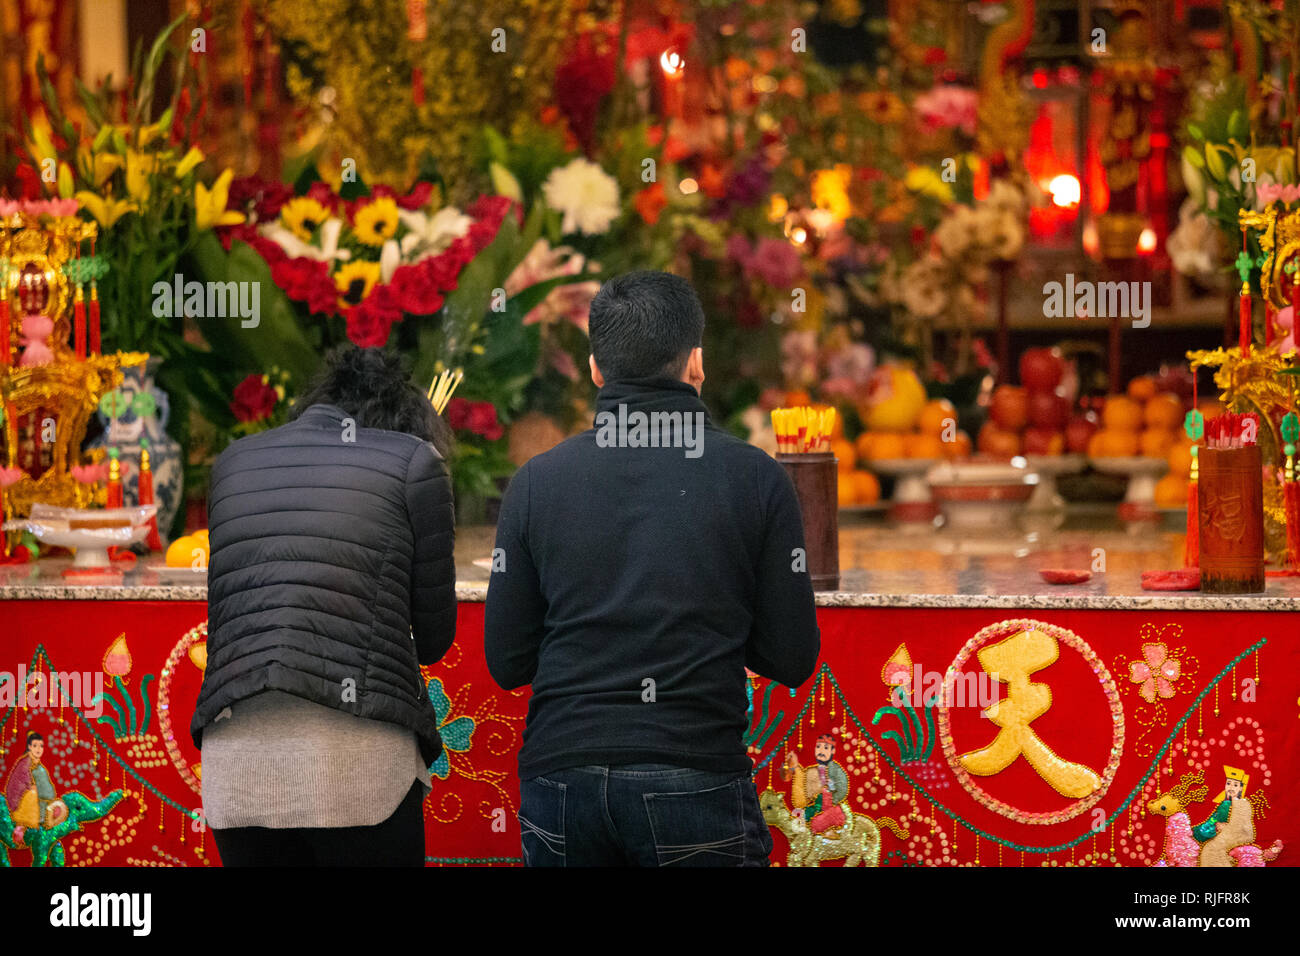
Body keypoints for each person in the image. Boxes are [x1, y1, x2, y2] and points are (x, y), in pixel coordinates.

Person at [485, 270, 820, 866]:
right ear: (696, 362)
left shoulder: (536, 482)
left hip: (561, 781)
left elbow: (507, 662)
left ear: (594, 369)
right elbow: (793, 659)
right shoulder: (755, 478)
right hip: (693, 774)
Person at [191, 347, 457, 866]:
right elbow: (434, 640)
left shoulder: (233, 463)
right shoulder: (414, 462)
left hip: (238, 764)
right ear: (397, 424)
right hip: (358, 767)